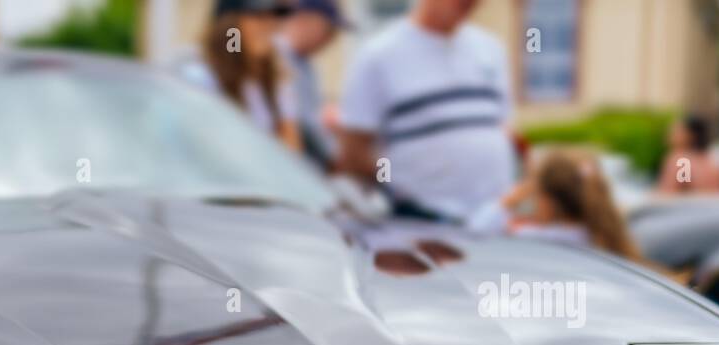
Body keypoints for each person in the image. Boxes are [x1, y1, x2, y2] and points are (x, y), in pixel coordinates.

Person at [336, 0, 517, 221]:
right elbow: (354, 152)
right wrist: (397, 188)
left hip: (492, 219)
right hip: (420, 222)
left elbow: (500, 126)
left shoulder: (491, 49)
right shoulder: (378, 55)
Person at [471, 150, 639, 259]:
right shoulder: (602, 238)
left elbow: (475, 233)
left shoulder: (535, 239)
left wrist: (510, 200)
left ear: (546, 201)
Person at [205, 0, 302, 152]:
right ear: (230, 22)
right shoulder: (201, 76)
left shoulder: (271, 76)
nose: (270, 24)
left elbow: (290, 148)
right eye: (258, 16)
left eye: (274, 16)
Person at [278, 0, 349, 168]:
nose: (331, 39)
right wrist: (338, 159)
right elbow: (305, 125)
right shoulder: (278, 58)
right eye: (329, 30)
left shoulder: (305, 65)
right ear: (307, 20)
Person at [657, 115, 719, 194]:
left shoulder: (679, 160)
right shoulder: (712, 160)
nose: (669, 135)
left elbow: (665, 194)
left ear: (689, 135)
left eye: (675, 131)